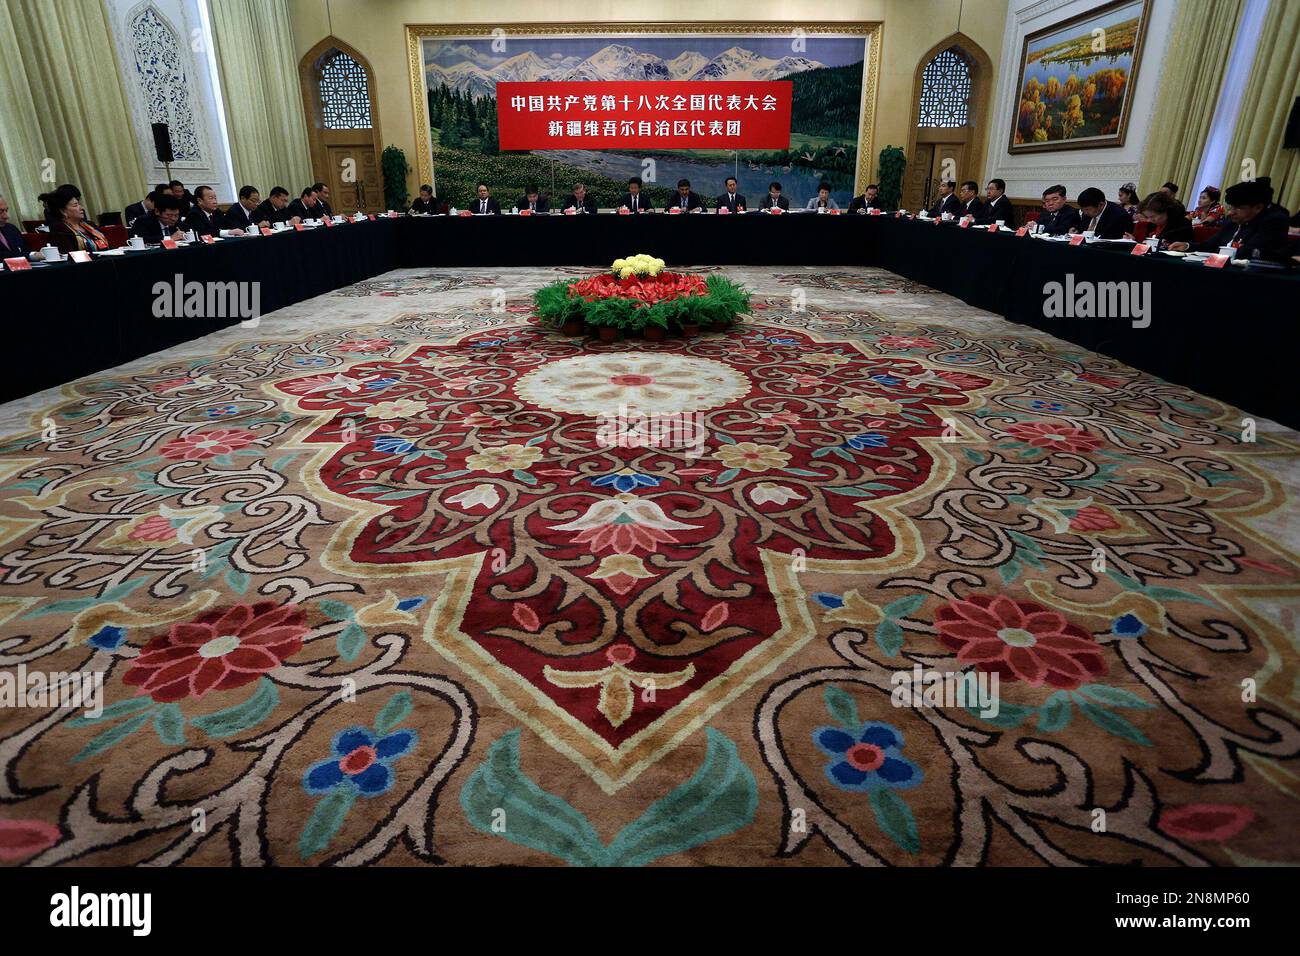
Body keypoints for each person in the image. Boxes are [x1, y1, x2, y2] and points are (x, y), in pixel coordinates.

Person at [1170, 179, 1291, 262]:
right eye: (1231, 207)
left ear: (1258, 207)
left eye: (1238, 208)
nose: (1230, 212)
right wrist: (1186, 245)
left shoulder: (1274, 221)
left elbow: (1248, 253)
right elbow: (1209, 245)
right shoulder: (1232, 220)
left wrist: (1215, 254)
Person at [41, 185, 109, 253]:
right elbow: (69, 254)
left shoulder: (90, 225)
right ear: (63, 211)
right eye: (75, 205)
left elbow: (106, 247)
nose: (81, 208)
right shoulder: (61, 230)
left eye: (79, 204)